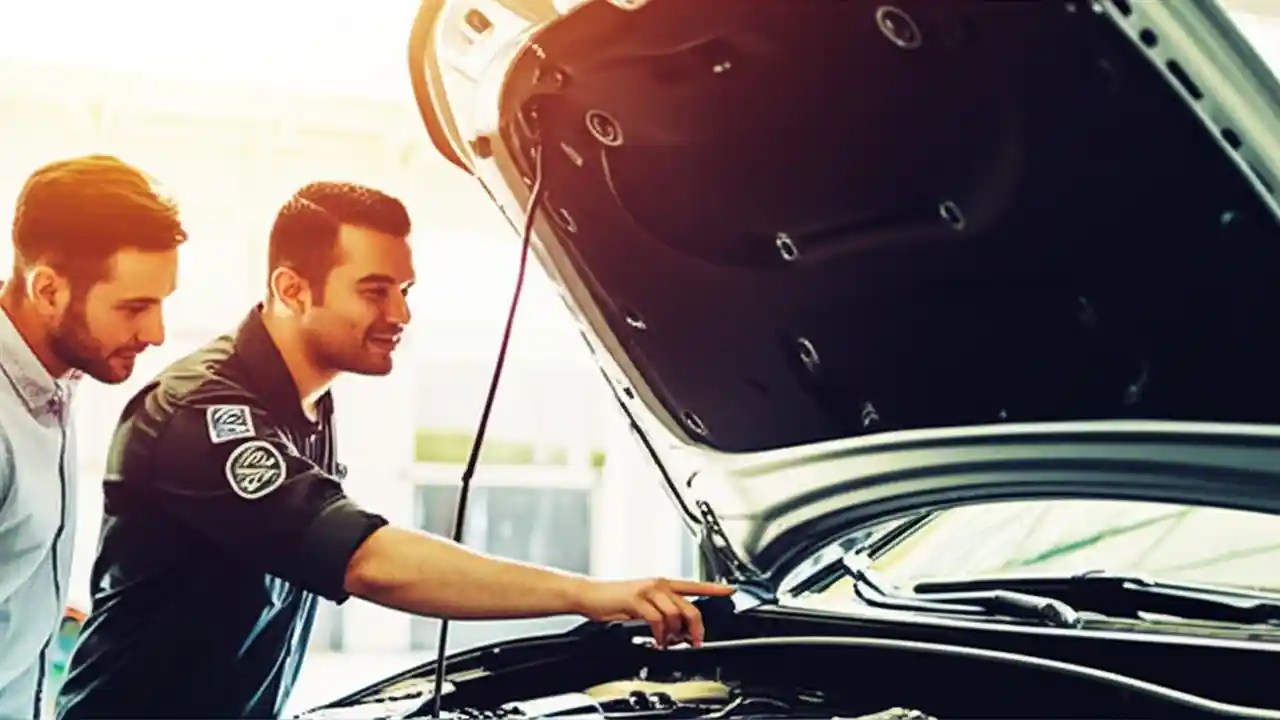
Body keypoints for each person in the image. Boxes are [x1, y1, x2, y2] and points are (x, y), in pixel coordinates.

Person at [55, 181, 734, 720]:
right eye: (374, 291)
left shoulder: (307, 402)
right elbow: (369, 561)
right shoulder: (202, 415)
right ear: (292, 289)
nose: (400, 315)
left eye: (404, 291)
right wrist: (587, 594)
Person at [0, 154, 186, 720]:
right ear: (48, 290)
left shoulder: (50, 378)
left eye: (161, 303)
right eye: (134, 307)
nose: (156, 333)